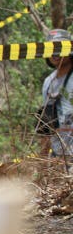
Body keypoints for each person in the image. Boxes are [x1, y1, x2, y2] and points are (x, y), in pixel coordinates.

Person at [37, 28, 73, 158]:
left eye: (59, 47)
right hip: (58, 154)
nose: (55, 52)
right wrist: (43, 157)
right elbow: (46, 121)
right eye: (51, 48)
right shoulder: (48, 82)